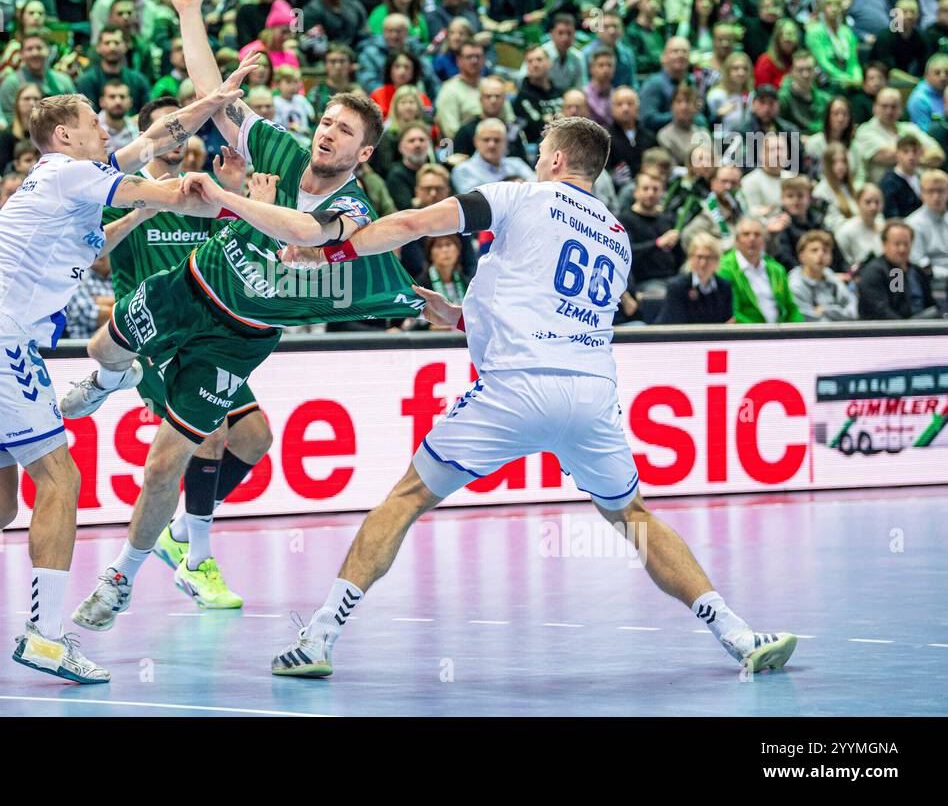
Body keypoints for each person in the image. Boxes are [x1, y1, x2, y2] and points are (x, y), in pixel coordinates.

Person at [239, 115, 797, 678]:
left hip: (515, 389)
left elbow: (412, 221)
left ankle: (320, 637)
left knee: (405, 500)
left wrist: (331, 251)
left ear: (555, 160)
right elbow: (548, 306)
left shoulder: (522, 195)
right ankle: (738, 633)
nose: (536, 161)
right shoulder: (617, 235)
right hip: (591, 395)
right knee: (633, 516)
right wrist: (459, 314)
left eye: (541, 152)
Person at [0, 56, 258, 685]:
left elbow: (147, 154)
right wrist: (238, 190)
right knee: (59, 480)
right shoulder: (71, 174)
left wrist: (213, 105)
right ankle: (45, 637)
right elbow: (172, 182)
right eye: (96, 122)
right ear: (66, 135)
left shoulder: (63, 187)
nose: (107, 131)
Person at [63, 0, 427, 634]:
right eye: (325, 123)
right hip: (193, 285)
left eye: (343, 133)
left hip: (239, 339)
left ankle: (123, 576)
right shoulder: (283, 151)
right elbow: (215, 97)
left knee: (166, 459)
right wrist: (191, 9)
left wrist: (237, 202)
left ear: (364, 153)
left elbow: (302, 234)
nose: (326, 135)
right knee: (101, 350)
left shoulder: (351, 210)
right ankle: (108, 383)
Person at [96, 96, 275, 606]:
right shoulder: (127, 190)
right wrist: (142, 209)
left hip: (207, 332)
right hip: (154, 336)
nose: (177, 141)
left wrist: (235, 194)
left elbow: (232, 253)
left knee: (256, 438)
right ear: (146, 133)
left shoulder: (198, 188)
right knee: (211, 433)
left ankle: (178, 528)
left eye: (183, 132)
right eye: (166, 132)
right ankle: (198, 560)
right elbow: (96, 250)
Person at [719, 216, 804, 324]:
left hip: (781, 333)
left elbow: (792, 308)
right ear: (737, 240)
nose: (752, 239)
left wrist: (797, 330)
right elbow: (732, 313)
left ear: (764, 240)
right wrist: (761, 331)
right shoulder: (725, 269)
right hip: (748, 334)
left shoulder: (776, 269)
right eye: (746, 234)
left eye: (757, 234)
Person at [856, 222, 941, 318]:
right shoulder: (874, 272)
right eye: (897, 244)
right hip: (891, 329)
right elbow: (880, 310)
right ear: (884, 244)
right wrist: (905, 328)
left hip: (924, 325)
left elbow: (931, 304)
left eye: (906, 244)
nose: (902, 249)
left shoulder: (918, 272)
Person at [656, 232, 734, 324]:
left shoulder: (724, 287)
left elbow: (726, 321)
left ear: (717, 259)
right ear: (691, 258)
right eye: (699, 257)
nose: (703, 263)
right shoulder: (677, 287)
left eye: (708, 257)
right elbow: (672, 324)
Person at [788, 231, 858, 322]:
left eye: (825, 251)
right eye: (814, 250)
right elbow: (810, 322)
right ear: (801, 256)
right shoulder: (795, 285)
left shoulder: (829, 274)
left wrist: (826, 310)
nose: (820, 255)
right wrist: (840, 315)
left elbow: (853, 311)